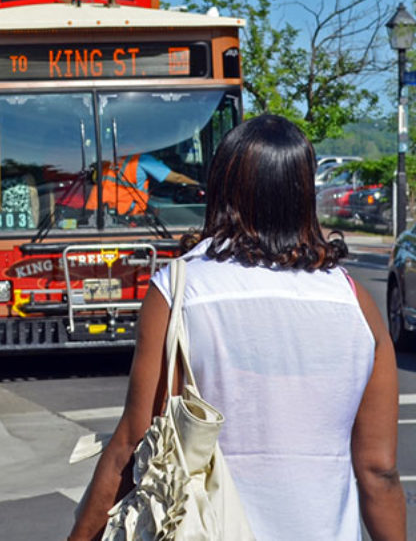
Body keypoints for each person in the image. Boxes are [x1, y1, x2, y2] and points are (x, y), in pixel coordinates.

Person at [68, 115, 404, 540]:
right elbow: (379, 471)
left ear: (222, 188)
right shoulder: (355, 301)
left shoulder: (178, 290)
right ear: (304, 195)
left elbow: (134, 442)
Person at [82, 153, 198, 215]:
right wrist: (197, 184)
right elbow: (176, 178)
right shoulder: (142, 159)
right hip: (125, 214)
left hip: (95, 212)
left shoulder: (108, 158)